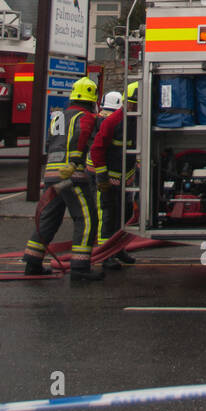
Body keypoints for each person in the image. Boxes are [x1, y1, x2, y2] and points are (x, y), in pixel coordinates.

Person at [24, 76, 104, 283]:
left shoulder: (58, 116)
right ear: (92, 98)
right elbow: (81, 135)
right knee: (87, 218)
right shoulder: (84, 117)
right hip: (72, 175)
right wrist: (76, 162)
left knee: (49, 218)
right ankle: (80, 267)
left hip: (52, 174)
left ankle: (32, 262)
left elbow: (51, 142)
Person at [88, 81, 139, 269]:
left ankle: (118, 249)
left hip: (125, 179)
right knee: (108, 215)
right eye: (132, 103)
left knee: (123, 215)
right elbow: (97, 150)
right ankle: (105, 253)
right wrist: (102, 177)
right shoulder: (113, 121)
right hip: (108, 178)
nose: (134, 107)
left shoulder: (138, 120)